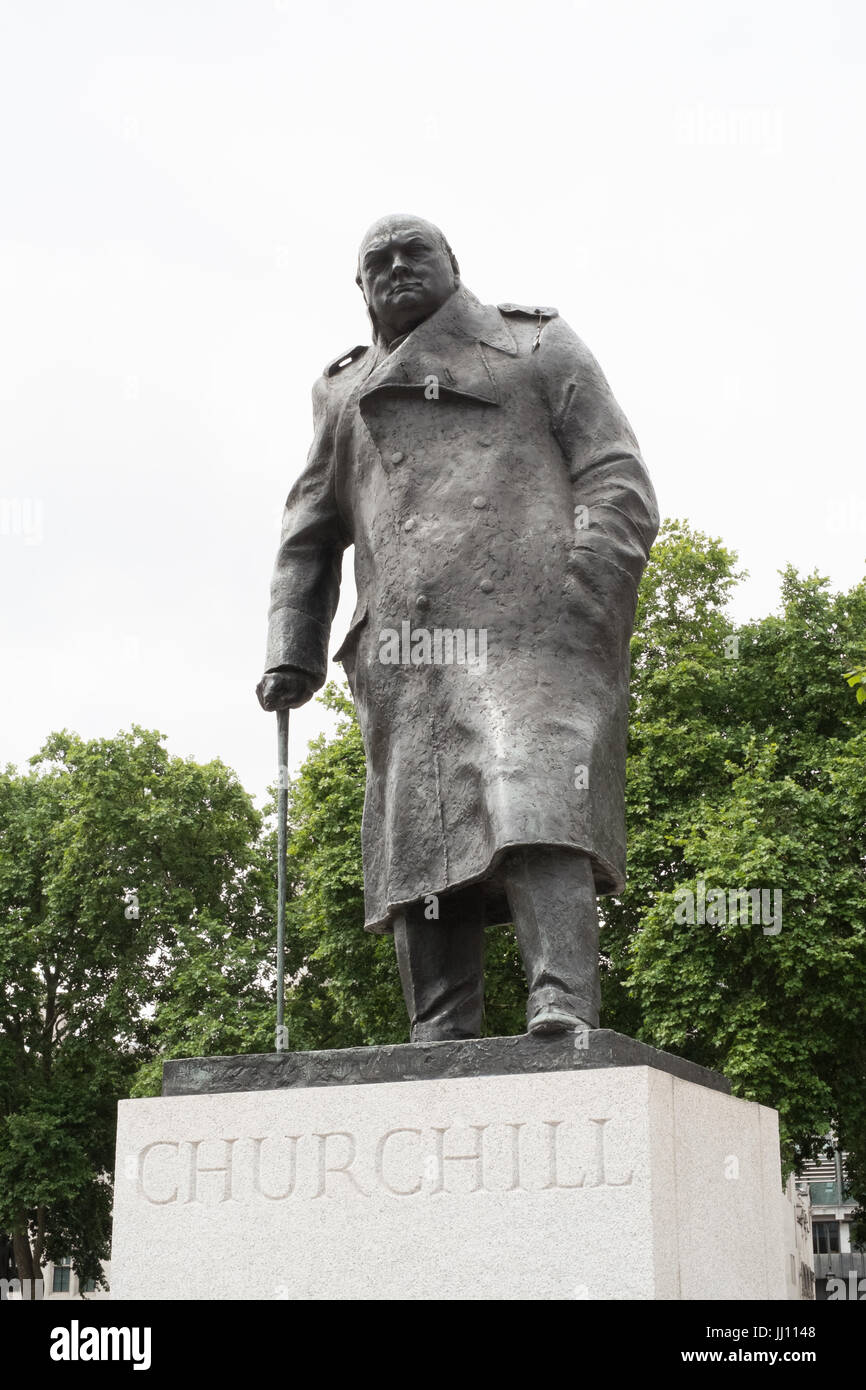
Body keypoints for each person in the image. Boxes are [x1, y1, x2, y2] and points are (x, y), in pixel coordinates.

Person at [257, 214, 658, 1041]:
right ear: (360, 286)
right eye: (378, 261)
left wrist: (586, 591)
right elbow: (309, 530)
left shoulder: (535, 344)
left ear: (453, 263)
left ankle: (561, 1000)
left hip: (533, 631)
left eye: (416, 253)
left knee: (535, 796)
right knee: (421, 834)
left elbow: (616, 475)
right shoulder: (342, 391)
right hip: (407, 649)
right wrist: (292, 648)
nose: (397, 268)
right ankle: (441, 1028)